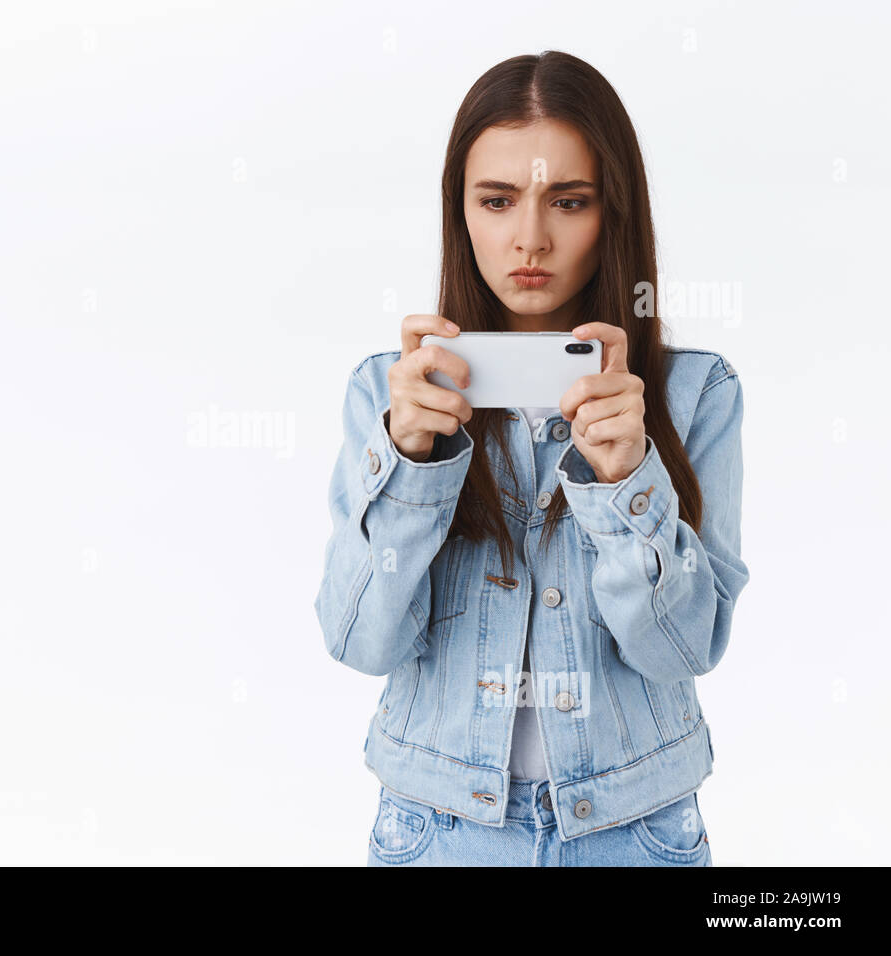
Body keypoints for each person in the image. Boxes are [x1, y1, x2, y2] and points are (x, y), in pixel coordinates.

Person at [313, 50, 749, 866]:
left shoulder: (694, 394)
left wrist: (626, 482)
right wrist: (410, 463)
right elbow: (361, 642)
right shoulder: (386, 390)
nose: (530, 238)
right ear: (460, 213)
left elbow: (684, 650)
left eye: (569, 201)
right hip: (439, 832)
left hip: (635, 831)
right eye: (497, 200)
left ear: (612, 213)